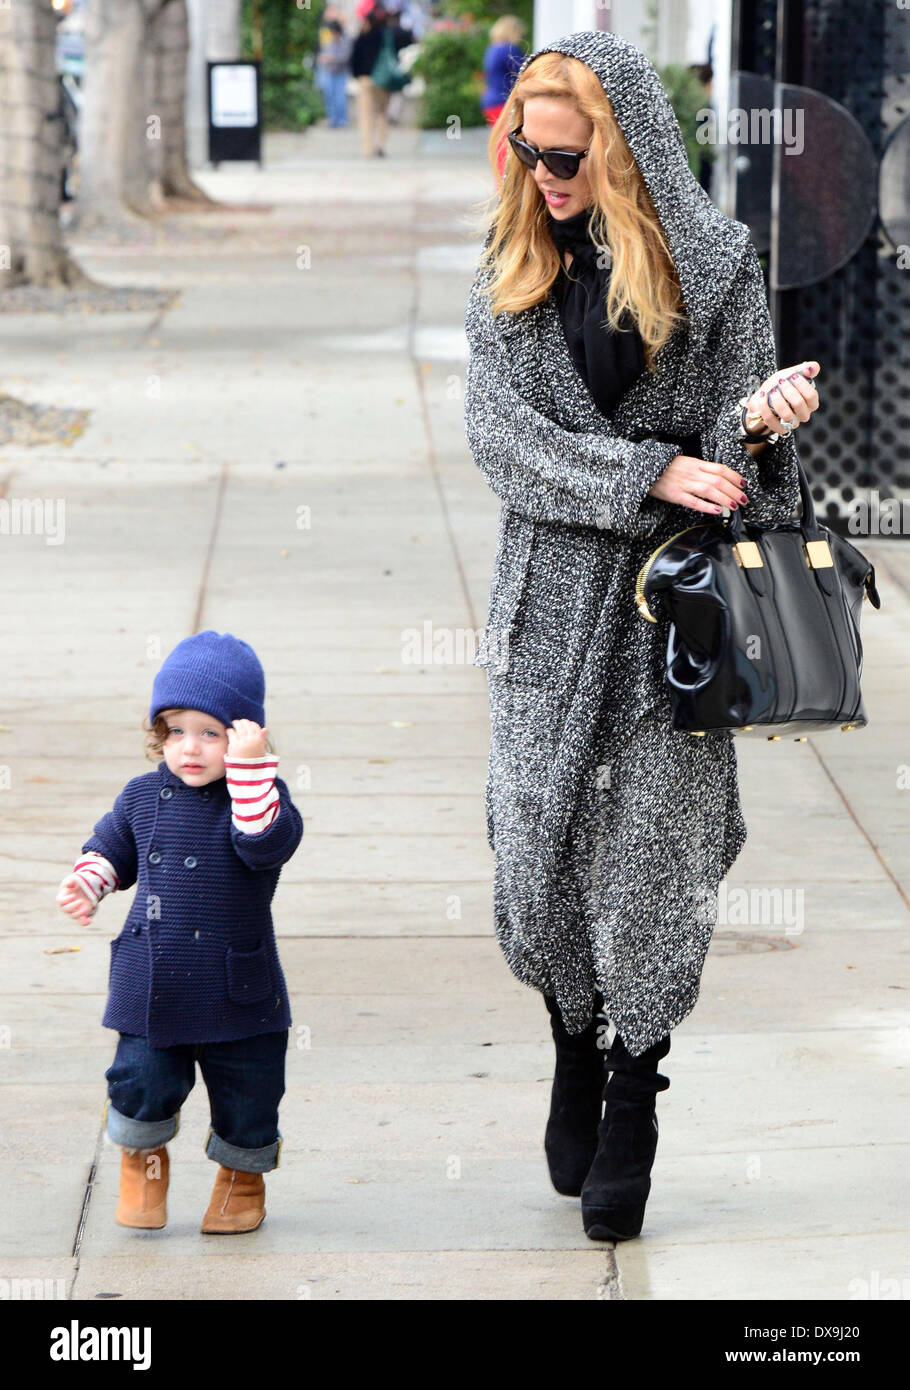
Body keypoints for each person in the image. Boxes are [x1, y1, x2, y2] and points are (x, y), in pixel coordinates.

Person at [462, 31, 820, 1243]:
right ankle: (573, 1028)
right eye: (526, 148)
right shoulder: (508, 258)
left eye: (565, 156)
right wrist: (642, 471)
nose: (544, 174)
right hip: (547, 610)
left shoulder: (716, 267)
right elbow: (502, 442)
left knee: (654, 864)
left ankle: (631, 1090)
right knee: (536, 856)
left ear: (622, 148)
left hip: (672, 618)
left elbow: (742, 474)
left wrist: (757, 429)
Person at [55, 631, 304, 1235]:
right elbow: (114, 842)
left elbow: (265, 842)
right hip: (154, 982)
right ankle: (143, 1163)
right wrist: (91, 879)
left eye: (211, 733)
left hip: (235, 985)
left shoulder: (260, 801)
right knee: (140, 1079)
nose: (189, 748)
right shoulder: (144, 794)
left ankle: (241, 1180)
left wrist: (249, 771)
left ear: (247, 735)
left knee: (250, 1090)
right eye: (174, 730)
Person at [350, 1, 410, 158]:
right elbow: (408, 38)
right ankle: (380, 144)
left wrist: (356, 75)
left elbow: (354, 58)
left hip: (365, 79)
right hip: (382, 80)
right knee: (382, 113)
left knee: (366, 114)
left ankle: (367, 147)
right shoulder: (389, 34)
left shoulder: (363, 35)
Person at [480, 15, 526, 179]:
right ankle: (506, 182)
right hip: (504, 102)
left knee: (499, 144)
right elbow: (526, 72)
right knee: (508, 146)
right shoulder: (509, 49)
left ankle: (501, 183)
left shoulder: (492, 49)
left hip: (490, 101)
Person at [316, 15, 353, 129]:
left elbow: (345, 57)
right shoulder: (329, 41)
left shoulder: (346, 41)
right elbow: (323, 52)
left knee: (340, 97)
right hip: (329, 72)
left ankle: (342, 120)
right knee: (330, 96)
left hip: (341, 72)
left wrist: (331, 58)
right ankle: (332, 119)